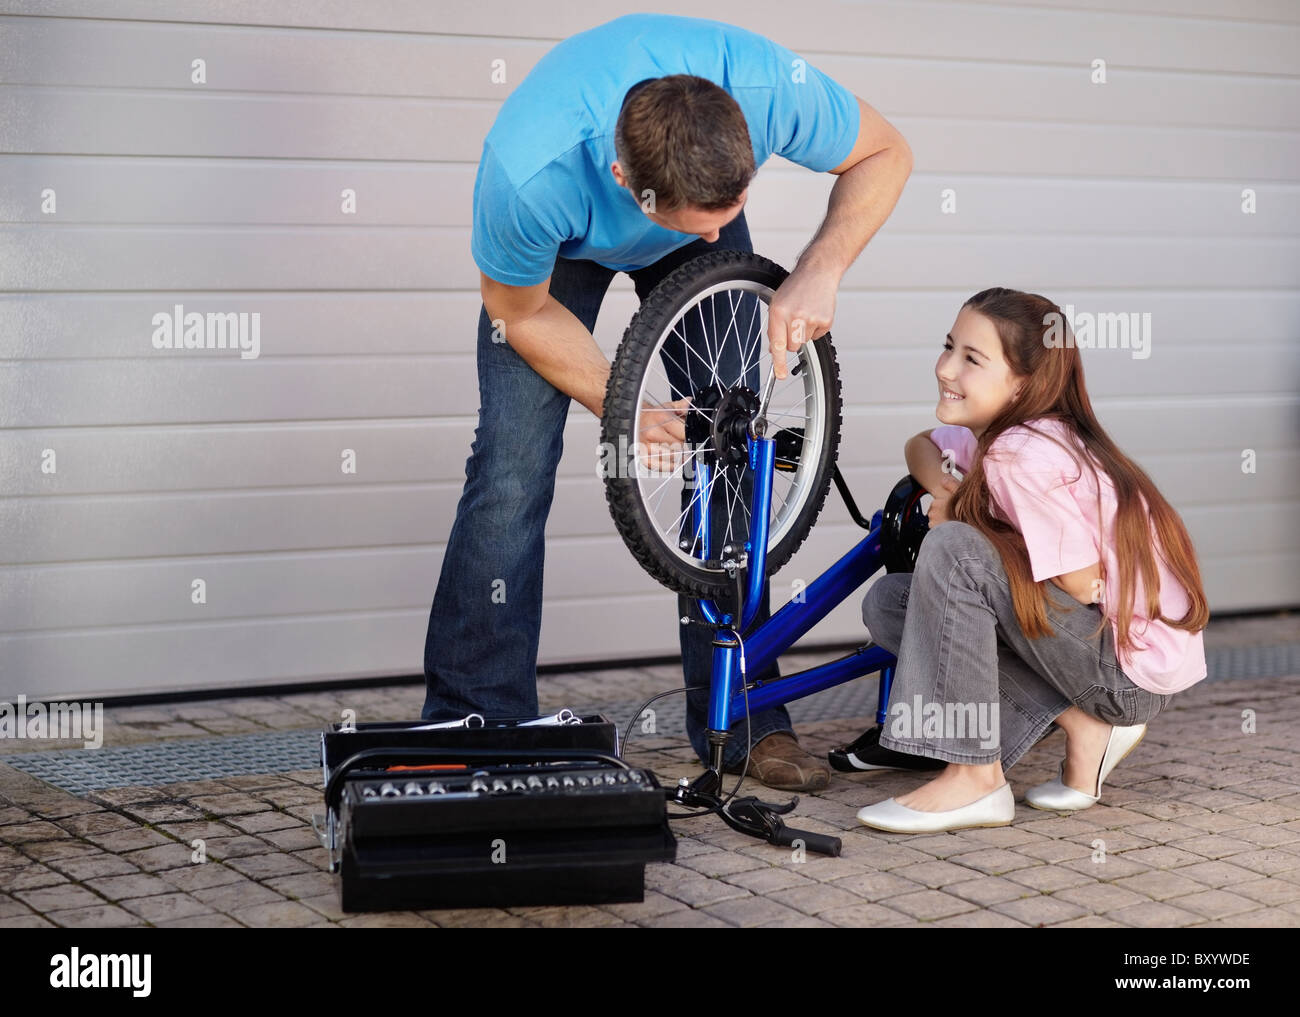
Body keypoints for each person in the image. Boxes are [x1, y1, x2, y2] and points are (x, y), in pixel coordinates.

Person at [421, 13, 914, 792]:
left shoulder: (760, 87)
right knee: (510, 469)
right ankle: (478, 716)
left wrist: (822, 266)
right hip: (559, 254)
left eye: (737, 205)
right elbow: (519, 313)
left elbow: (887, 151)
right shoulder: (528, 176)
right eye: (709, 221)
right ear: (627, 182)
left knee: (728, 448)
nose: (729, 233)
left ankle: (741, 713)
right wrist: (624, 407)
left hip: (681, 194)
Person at [852, 288, 1210, 832]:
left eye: (972, 359)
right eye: (949, 347)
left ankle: (974, 778)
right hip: (1102, 658)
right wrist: (946, 492)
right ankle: (1086, 727)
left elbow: (1083, 581)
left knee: (954, 553)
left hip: (1121, 670)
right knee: (892, 603)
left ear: (1024, 383)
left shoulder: (1022, 452)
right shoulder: (1004, 434)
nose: (945, 367)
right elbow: (920, 444)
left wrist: (969, 529)